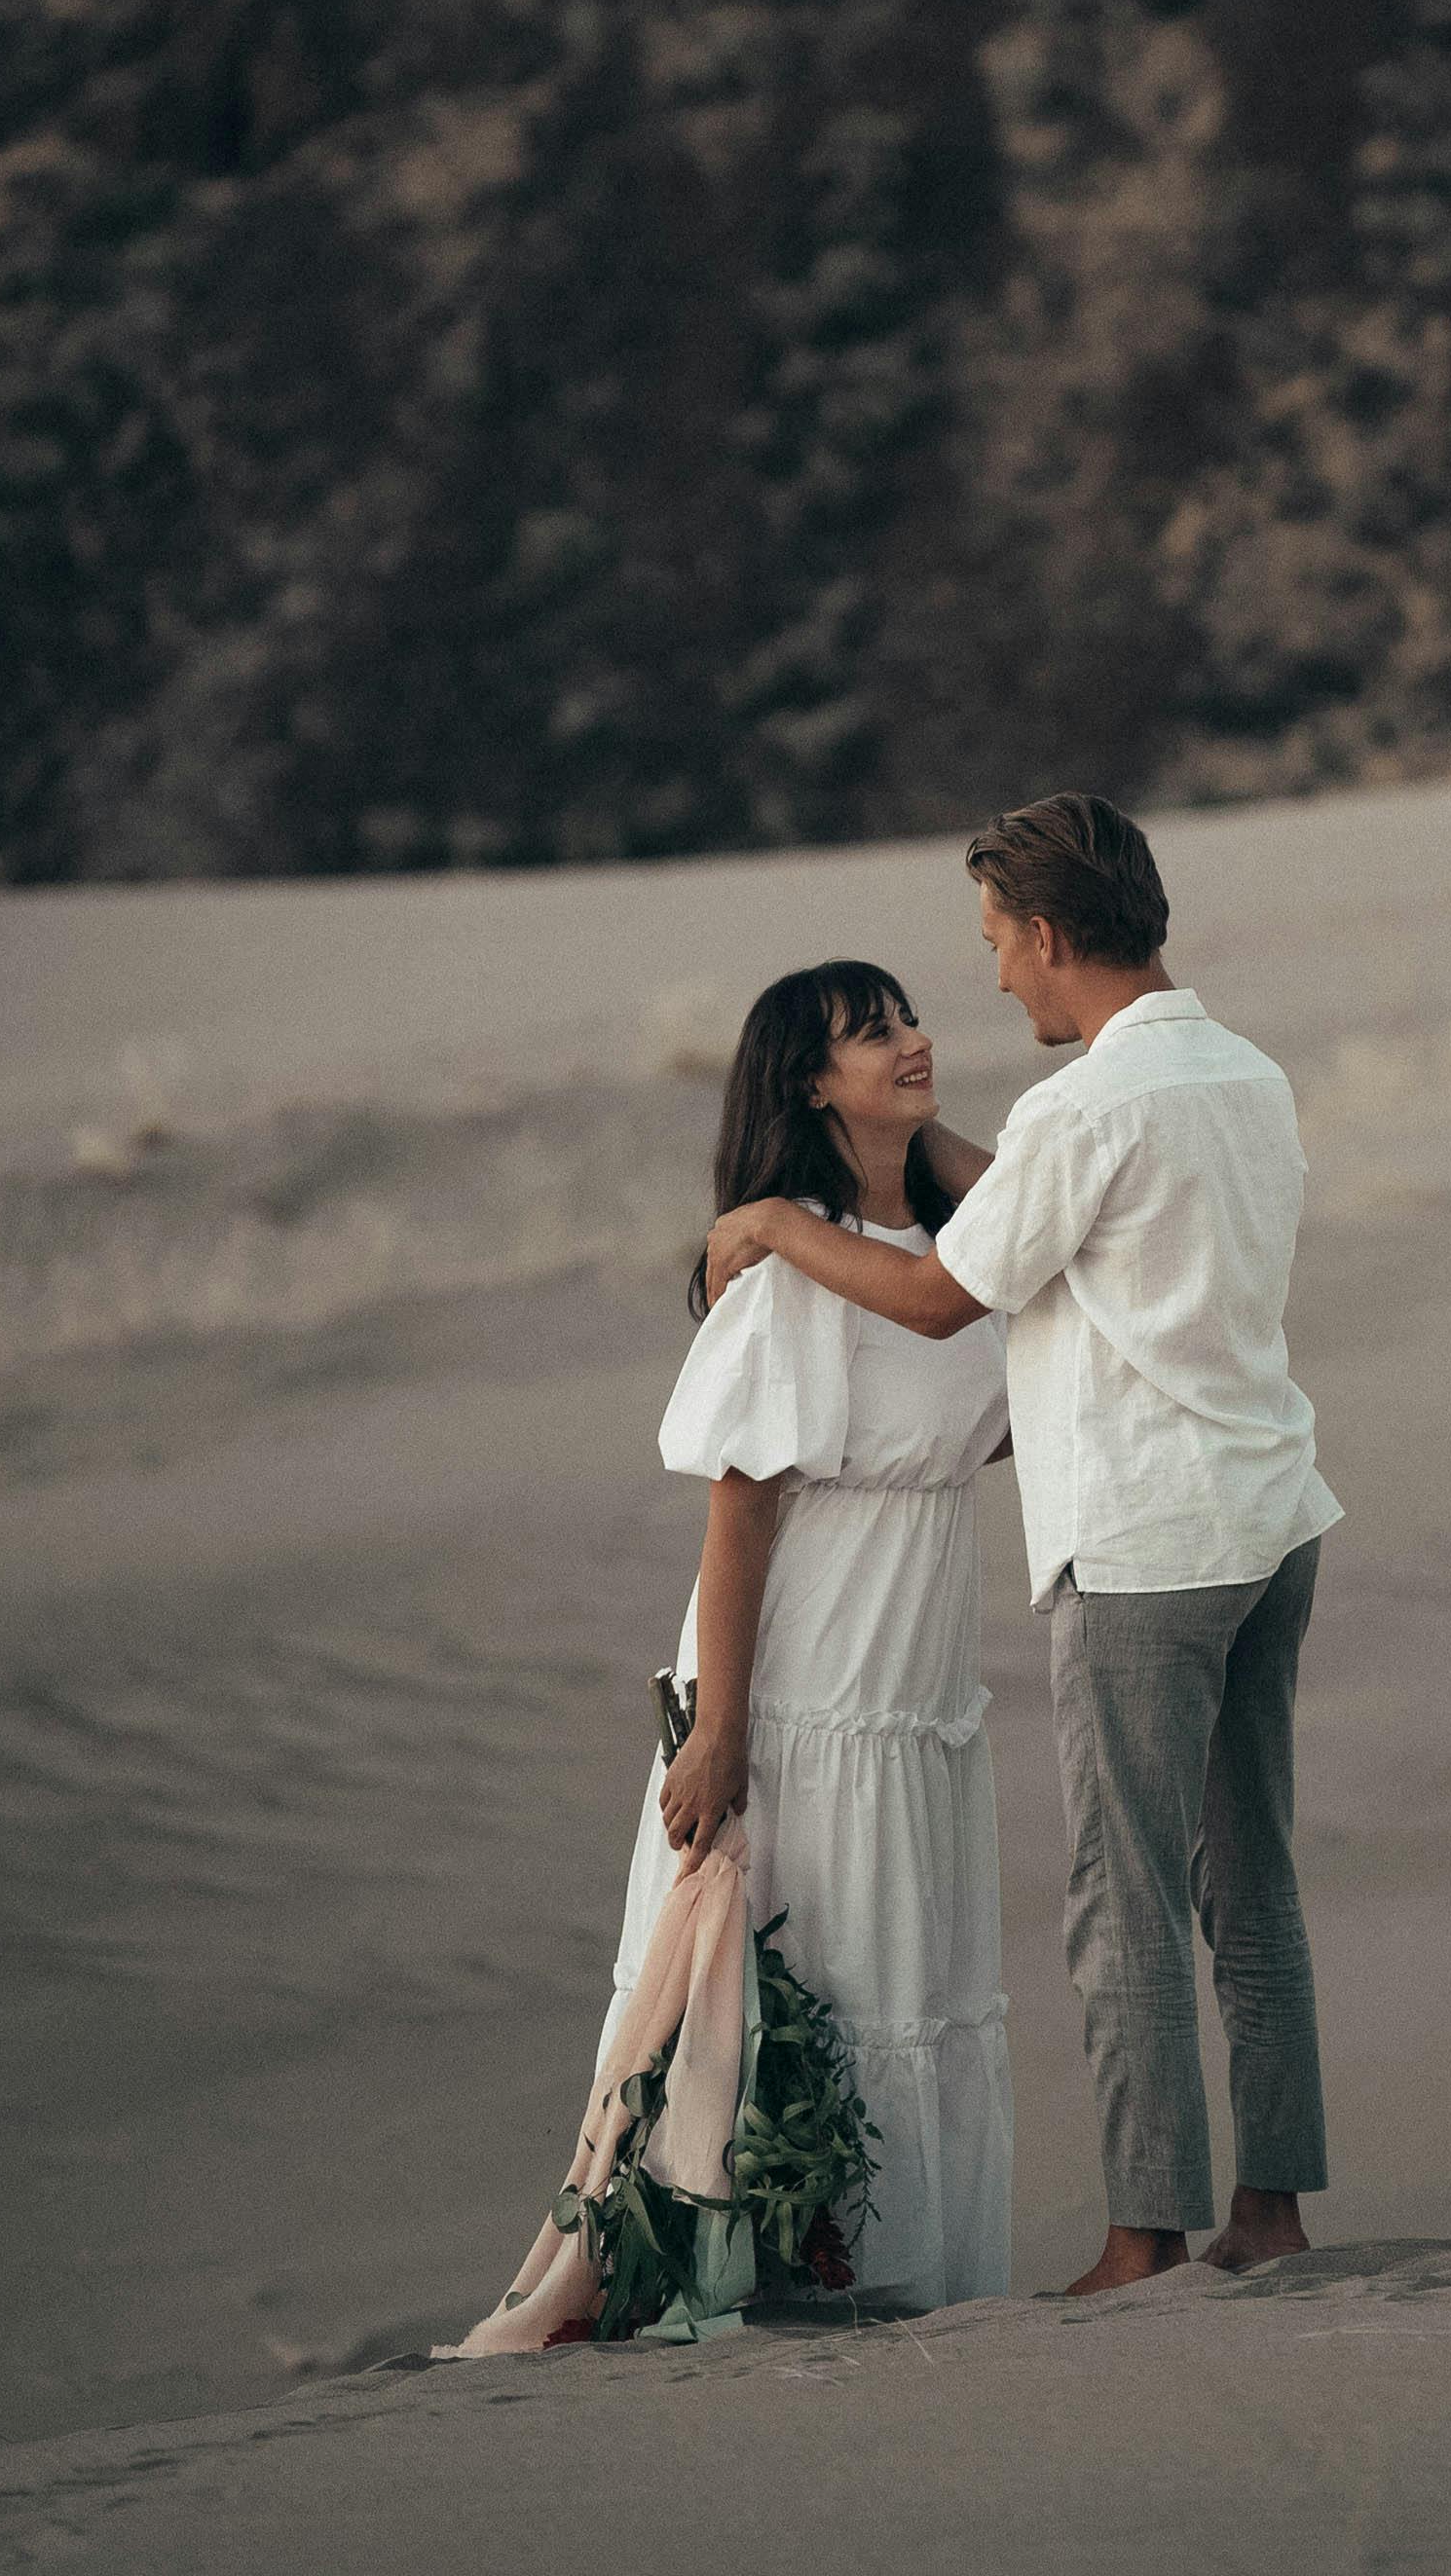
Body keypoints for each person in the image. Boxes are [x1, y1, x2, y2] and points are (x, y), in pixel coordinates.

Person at [703, 795, 1339, 2299]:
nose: (994, 982)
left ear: (1049, 935)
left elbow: (938, 1302)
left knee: (1124, 1898)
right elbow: (1039, 1218)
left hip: (1147, 1546)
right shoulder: (1244, 1074)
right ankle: (1272, 2214)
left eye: (996, 946)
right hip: (1273, 1516)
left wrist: (776, 1228)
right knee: (1252, 1881)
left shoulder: (1082, 1112)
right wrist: (910, 1148)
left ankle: (1143, 2236)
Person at [472, 961, 1016, 2340]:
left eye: (909, 1016)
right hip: (807, 1679)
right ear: (806, 1083)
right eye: (872, 1032)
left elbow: (1037, 1210)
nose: (914, 1041)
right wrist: (720, 1724)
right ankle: (722, 2284)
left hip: (916, 1682)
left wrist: (828, 1183)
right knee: (783, 1986)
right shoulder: (790, 1276)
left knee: (900, 1986)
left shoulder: (960, 1252)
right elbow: (741, 1511)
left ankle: (870, 2278)